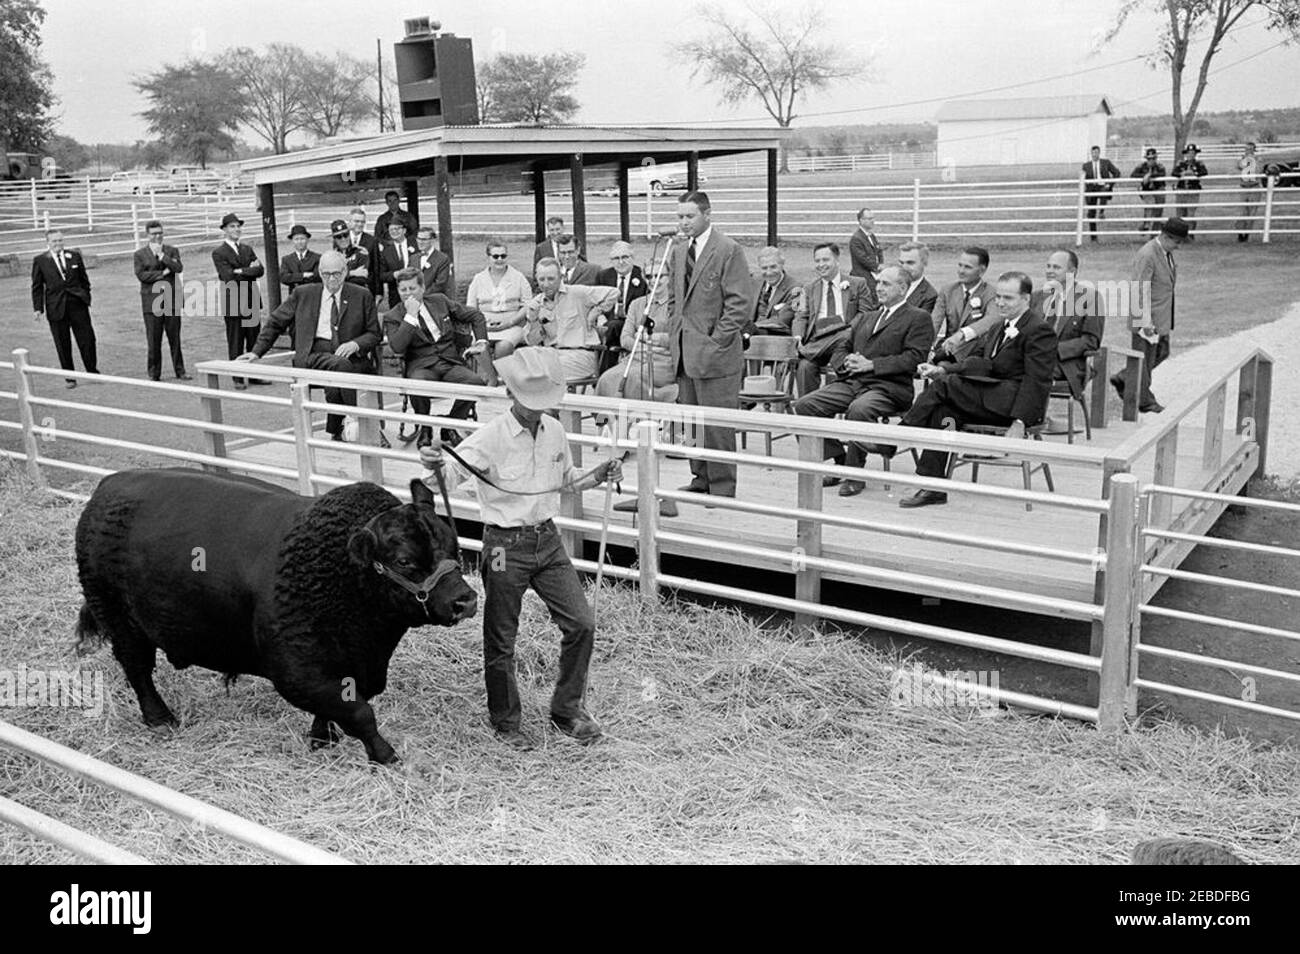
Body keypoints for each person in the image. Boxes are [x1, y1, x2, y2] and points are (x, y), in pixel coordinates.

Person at [418, 347, 623, 751]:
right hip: (502, 545)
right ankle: (506, 721)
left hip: (547, 539)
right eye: (530, 403)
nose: (535, 411)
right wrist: (432, 462)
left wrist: (597, 475)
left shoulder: (556, 432)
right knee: (501, 636)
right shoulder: (489, 438)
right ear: (511, 394)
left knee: (581, 623)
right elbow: (448, 473)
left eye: (541, 403)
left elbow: (564, 480)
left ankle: (567, 710)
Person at [896, 272, 1057, 509]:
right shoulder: (998, 327)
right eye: (999, 297)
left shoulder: (1038, 330)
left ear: (1025, 299)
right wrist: (943, 369)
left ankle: (901, 435)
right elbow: (980, 364)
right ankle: (933, 486)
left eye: (1008, 298)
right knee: (944, 412)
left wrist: (1020, 422)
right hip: (987, 399)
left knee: (944, 386)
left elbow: (1037, 381)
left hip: (1010, 405)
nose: (1000, 303)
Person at [794, 265, 933, 497]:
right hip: (854, 382)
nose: (879, 288)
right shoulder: (866, 317)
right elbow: (843, 345)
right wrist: (847, 361)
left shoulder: (918, 318)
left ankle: (854, 474)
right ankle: (839, 459)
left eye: (885, 284)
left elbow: (914, 358)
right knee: (804, 406)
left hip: (889, 387)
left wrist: (872, 365)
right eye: (878, 283)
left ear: (902, 288)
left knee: (859, 409)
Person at [665, 190, 753, 500]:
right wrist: (673, 326)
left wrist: (717, 340)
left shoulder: (728, 250)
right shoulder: (678, 250)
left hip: (716, 356)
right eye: (680, 217)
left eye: (690, 216)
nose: (684, 222)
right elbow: (675, 295)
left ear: (707, 215)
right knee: (691, 421)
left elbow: (740, 304)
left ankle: (722, 486)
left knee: (716, 424)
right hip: (684, 352)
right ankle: (700, 478)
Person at [237, 249, 380, 441]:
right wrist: (256, 352)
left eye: (336, 273)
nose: (331, 279)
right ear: (320, 273)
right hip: (314, 354)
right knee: (341, 367)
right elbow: (276, 322)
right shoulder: (303, 293)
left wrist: (355, 344)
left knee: (338, 378)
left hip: (350, 355)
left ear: (345, 271)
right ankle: (360, 423)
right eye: (326, 274)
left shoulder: (361, 295)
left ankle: (336, 431)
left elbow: (374, 334)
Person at [383, 267, 489, 447]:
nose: (408, 293)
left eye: (412, 288)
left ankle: (451, 425)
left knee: (476, 382)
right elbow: (397, 347)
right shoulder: (393, 316)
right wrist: (410, 316)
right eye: (403, 290)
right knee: (417, 383)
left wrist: (481, 341)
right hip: (421, 366)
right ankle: (425, 427)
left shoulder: (439, 301)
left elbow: (475, 316)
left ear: (422, 288)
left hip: (450, 362)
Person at [1111, 217, 1187, 414]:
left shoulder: (1165, 253)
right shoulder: (1147, 254)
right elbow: (1139, 290)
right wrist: (1145, 321)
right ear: (1166, 236)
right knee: (1144, 360)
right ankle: (1144, 401)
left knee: (1162, 352)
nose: (1179, 247)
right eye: (1177, 242)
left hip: (1160, 318)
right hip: (1147, 320)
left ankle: (1126, 377)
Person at [1033, 250, 1105, 434]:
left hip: (1067, 363)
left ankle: (1026, 422)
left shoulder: (1090, 298)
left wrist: (1053, 350)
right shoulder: (1039, 297)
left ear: (1072, 272)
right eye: (1048, 266)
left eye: (1056, 267)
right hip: (1036, 358)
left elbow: (1091, 341)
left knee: (1027, 370)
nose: (1050, 271)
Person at [791, 242, 872, 396]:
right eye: (817, 261)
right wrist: (797, 336)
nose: (821, 264)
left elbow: (866, 314)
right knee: (804, 367)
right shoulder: (809, 288)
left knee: (842, 336)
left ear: (836, 260)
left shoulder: (857, 284)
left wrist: (848, 329)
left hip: (846, 340)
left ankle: (806, 352)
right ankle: (807, 413)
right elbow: (801, 315)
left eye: (825, 260)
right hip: (818, 338)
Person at [524, 258, 617, 383]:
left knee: (543, 371)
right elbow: (532, 341)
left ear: (561, 277)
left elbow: (613, 292)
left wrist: (596, 311)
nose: (546, 284)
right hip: (551, 354)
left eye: (551, 279)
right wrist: (533, 319)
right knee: (522, 362)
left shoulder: (577, 293)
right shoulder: (536, 303)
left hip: (580, 356)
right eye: (542, 279)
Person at [31, 228, 98, 387]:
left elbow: (84, 280)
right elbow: (37, 286)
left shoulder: (74, 256)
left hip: (77, 305)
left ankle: (92, 370)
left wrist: (85, 295)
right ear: (48, 243)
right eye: (54, 241)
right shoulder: (40, 260)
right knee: (62, 343)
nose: (58, 244)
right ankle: (69, 377)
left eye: (60, 240)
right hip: (56, 307)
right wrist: (38, 308)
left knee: (87, 339)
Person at [211, 212, 264, 390]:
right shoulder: (219, 252)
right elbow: (227, 276)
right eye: (232, 226)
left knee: (253, 338)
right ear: (225, 230)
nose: (237, 229)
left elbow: (260, 270)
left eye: (238, 226)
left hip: (250, 299)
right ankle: (238, 376)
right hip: (233, 302)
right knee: (236, 340)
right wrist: (246, 270)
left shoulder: (247, 249)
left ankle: (254, 374)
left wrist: (239, 271)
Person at [132, 219, 188, 381]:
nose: (157, 236)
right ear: (147, 235)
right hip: (152, 302)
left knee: (175, 338)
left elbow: (178, 268)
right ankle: (154, 373)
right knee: (154, 340)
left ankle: (180, 370)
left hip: (171, 300)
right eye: (154, 234)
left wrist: (163, 256)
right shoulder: (140, 255)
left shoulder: (171, 251)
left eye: (160, 233)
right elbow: (142, 275)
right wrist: (162, 274)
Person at [465, 239, 531, 365]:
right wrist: (481, 323)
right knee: (480, 347)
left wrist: (510, 322)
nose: (499, 259)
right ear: (488, 258)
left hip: (512, 326)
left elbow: (527, 305)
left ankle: (502, 376)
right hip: (485, 328)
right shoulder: (478, 279)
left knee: (503, 346)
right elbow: (471, 307)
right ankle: (490, 377)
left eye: (503, 256)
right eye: (495, 256)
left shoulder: (519, 277)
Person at [929, 246, 993, 362]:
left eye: (967, 267)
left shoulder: (991, 293)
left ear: (982, 270)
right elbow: (935, 321)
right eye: (960, 265)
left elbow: (992, 319)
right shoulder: (947, 290)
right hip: (947, 347)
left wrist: (962, 334)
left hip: (974, 352)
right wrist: (926, 346)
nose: (961, 271)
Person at [595, 241, 647, 373]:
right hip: (608, 323)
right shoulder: (603, 276)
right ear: (611, 261)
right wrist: (600, 316)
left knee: (612, 327)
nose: (621, 262)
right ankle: (607, 373)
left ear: (632, 258)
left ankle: (602, 375)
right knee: (608, 328)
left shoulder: (641, 276)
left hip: (631, 324)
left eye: (625, 257)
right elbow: (595, 302)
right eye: (616, 258)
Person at [743, 246, 800, 340]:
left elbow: (783, 321)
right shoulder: (754, 282)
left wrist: (752, 327)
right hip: (747, 336)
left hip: (774, 338)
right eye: (764, 268)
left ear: (782, 265)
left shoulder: (796, 289)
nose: (769, 273)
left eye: (773, 267)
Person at [1081, 145, 1121, 242]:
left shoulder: (1105, 163)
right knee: (1091, 214)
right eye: (1093, 153)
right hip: (1092, 188)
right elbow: (1083, 178)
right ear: (1091, 154)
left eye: (1097, 152)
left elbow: (1116, 172)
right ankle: (1093, 237)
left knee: (1104, 192)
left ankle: (1101, 212)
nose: (1095, 154)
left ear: (1099, 153)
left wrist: (1110, 184)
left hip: (1103, 186)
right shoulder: (1086, 166)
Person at [377, 219, 419, 307]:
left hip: (416, 292)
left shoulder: (416, 244)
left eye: (397, 229)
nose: (394, 232)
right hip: (396, 297)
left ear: (404, 230)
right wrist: (394, 274)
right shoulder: (386, 252)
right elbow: (381, 275)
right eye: (391, 230)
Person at [848, 208, 883, 305]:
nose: (872, 221)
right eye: (869, 218)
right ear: (861, 220)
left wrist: (881, 263)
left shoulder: (871, 236)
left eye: (873, 218)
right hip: (862, 276)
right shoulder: (856, 239)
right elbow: (862, 258)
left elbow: (879, 250)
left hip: (874, 273)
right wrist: (877, 266)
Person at [1172, 144, 1208, 238]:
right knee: (1180, 213)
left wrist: (1194, 174)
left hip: (1193, 190)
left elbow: (1204, 172)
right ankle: (1181, 234)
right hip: (1181, 190)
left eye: (1193, 153)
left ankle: (1190, 233)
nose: (1190, 155)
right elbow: (1174, 173)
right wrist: (1182, 173)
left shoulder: (1199, 164)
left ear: (1195, 154)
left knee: (1190, 213)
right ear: (1186, 154)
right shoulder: (1181, 164)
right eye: (1189, 153)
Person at [1132, 148, 1168, 236]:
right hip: (1147, 190)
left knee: (1158, 212)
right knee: (1149, 205)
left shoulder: (1160, 166)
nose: (1151, 160)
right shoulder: (1141, 166)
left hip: (1159, 189)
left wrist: (1150, 175)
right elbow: (1133, 175)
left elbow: (1162, 174)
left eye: (1153, 158)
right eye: (1149, 159)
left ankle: (1153, 234)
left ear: (1156, 158)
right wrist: (1144, 176)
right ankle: (1146, 224)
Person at [897, 241, 939, 313]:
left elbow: (919, 323)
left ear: (924, 263)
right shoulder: (887, 284)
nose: (904, 267)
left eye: (910, 263)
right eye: (901, 263)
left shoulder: (929, 296)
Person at [330, 219, 371, 288]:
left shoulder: (361, 252)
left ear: (349, 235)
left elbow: (362, 278)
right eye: (339, 237)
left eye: (345, 235)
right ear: (334, 239)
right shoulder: (331, 256)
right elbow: (330, 278)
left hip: (357, 293)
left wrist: (340, 274)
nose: (343, 239)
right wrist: (352, 273)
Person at [279, 224, 320, 293]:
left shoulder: (316, 258)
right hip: (294, 296)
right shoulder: (287, 259)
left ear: (307, 240)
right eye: (296, 239)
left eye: (302, 239)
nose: (299, 242)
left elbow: (316, 277)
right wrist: (303, 275)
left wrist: (293, 277)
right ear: (292, 241)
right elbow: (283, 278)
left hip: (311, 294)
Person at [413, 226, 452, 297]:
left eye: (424, 239)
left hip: (433, 301)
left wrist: (422, 296)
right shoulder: (413, 258)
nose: (420, 242)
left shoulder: (442, 259)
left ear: (433, 240)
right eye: (418, 239)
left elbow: (440, 284)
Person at [346, 206, 378, 293]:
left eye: (362, 222)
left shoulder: (372, 241)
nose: (360, 224)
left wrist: (379, 292)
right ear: (349, 222)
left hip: (365, 287)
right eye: (356, 221)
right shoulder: (342, 239)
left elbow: (376, 267)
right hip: (346, 285)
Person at [1236, 142, 1262, 242]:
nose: (1248, 151)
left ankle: (1247, 234)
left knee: (1252, 212)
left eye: (1251, 149)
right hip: (1244, 187)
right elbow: (1237, 167)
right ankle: (1239, 232)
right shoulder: (1242, 159)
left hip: (1254, 186)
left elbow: (1258, 170)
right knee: (1242, 212)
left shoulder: (1257, 159)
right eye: (1247, 149)